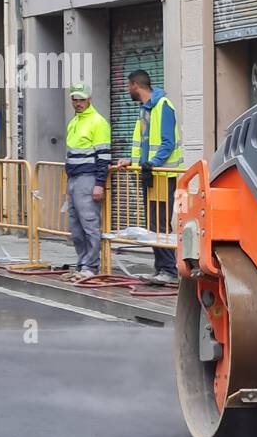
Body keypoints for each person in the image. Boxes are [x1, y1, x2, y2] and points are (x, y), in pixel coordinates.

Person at [116, 70, 183, 286]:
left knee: (159, 224)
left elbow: (167, 143)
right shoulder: (146, 110)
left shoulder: (163, 106)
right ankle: (162, 269)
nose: (128, 90)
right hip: (150, 175)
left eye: (129, 86)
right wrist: (132, 161)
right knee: (154, 225)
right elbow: (144, 144)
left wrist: (151, 164)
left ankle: (168, 270)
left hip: (162, 175)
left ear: (136, 85)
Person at [64, 82, 111, 281]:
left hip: (88, 178)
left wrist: (99, 183)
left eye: (81, 99)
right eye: (74, 99)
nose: (78, 103)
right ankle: (82, 263)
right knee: (75, 226)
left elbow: (104, 156)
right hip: (74, 179)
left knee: (89, 224)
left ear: (89, 99)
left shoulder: (97, 122)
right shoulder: (74, 122)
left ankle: (91, 266)